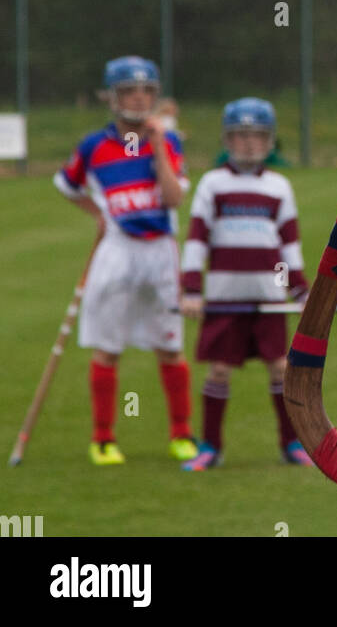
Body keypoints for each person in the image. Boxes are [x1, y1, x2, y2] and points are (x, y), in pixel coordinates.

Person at [53, 56, 196, 466]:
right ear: (112, 98)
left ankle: (182, 434)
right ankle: (102, 439)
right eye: (129, 91)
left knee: (170, 346)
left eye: (146, 91)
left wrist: (156, 145)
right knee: (107, 346)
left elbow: (173, 197)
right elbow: (66, 184)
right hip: (117, 250)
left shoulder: (168, 141)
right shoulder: (93, 146)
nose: (139, 98)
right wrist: (97, 213)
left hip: (161, 251)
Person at [179, 98, 312, 469]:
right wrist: (191, 290)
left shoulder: (279, 187)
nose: (249, 144)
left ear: (270, 142)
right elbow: (195, 240)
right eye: (240, 136)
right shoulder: (212, 184)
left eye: (257, 136)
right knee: (219, 370)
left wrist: (300, 291)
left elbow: (289, 245)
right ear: (227, 140)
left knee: (281, 369)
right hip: (224, 299)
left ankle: (291, 444)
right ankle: (210, 447)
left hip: (269, 300)